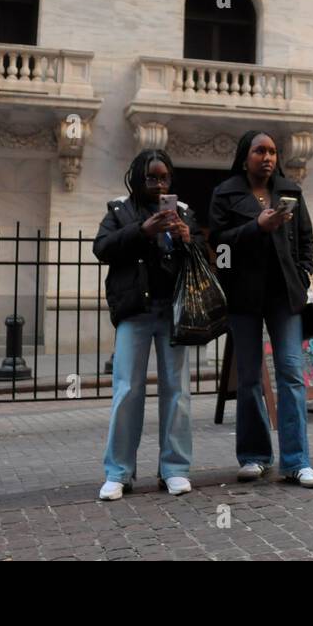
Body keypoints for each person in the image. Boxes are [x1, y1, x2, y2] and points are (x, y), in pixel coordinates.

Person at [208, 131, 313, 488]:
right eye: (260, 151)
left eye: (273, 151)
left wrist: (303, 274)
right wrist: (255, 227)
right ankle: (255, 457)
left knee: (290, 373)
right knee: (248, 379)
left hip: (283, 296)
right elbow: (218, 243)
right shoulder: (225, 193)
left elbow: (306, 240)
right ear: (246, 157)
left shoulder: (291, 191)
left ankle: (296, 461)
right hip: (243, 296)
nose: (268, 157)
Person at [93, 149, 199, 499]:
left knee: (177, 391)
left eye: (163, 177)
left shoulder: (182, 212)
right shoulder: (120, 210)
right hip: (135, 310)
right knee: (127, 390)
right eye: (151, 177)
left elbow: (201, 259)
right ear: (138, 178)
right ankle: (119, 472)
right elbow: (102, 248)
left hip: (172, 311)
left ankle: (175, 469)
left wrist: (186, 239)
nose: (157, 184)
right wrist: (142, 231)